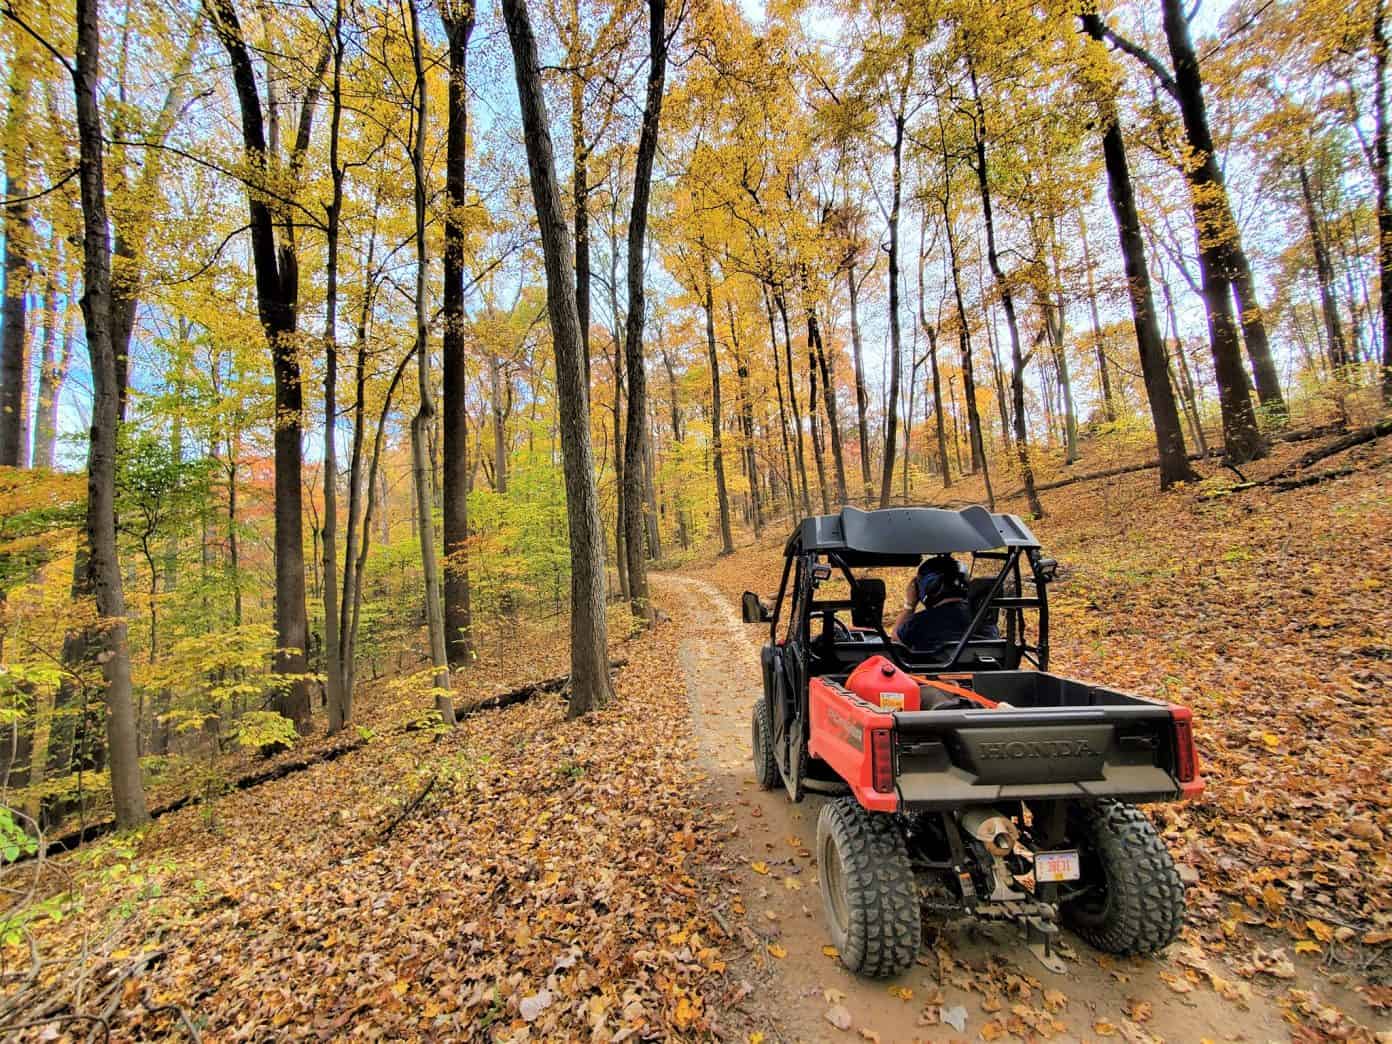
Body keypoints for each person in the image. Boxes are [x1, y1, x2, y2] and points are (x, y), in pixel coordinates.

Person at [891, 554, 977, 654]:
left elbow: (896, 644)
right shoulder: (985, 620)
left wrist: (909, 606)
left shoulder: (919, 623)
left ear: (928, 587)